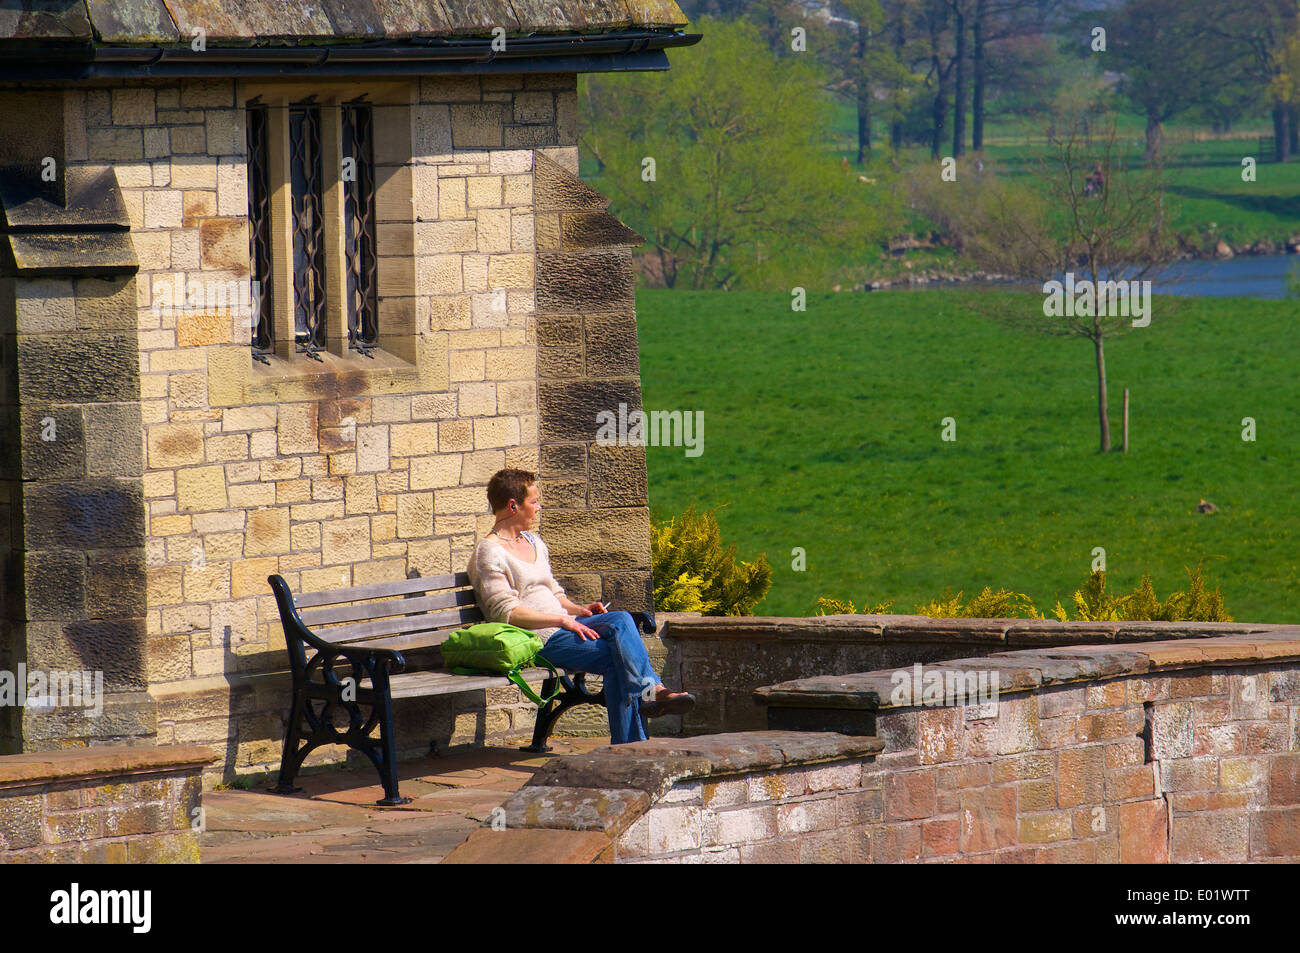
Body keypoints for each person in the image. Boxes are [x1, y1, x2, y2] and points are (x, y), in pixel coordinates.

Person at [465, 468, 695, 744]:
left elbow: (554, 593)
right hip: (536, 640)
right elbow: (506, 613)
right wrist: (561, 621)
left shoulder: (533, 542)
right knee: (616, 659)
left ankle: (644, 707)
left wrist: (578, 610)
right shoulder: (489, 552)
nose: (539, 507)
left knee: (621, 619)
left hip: (566, 626)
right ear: (513, 506)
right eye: (534, 501)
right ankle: (638, 729)